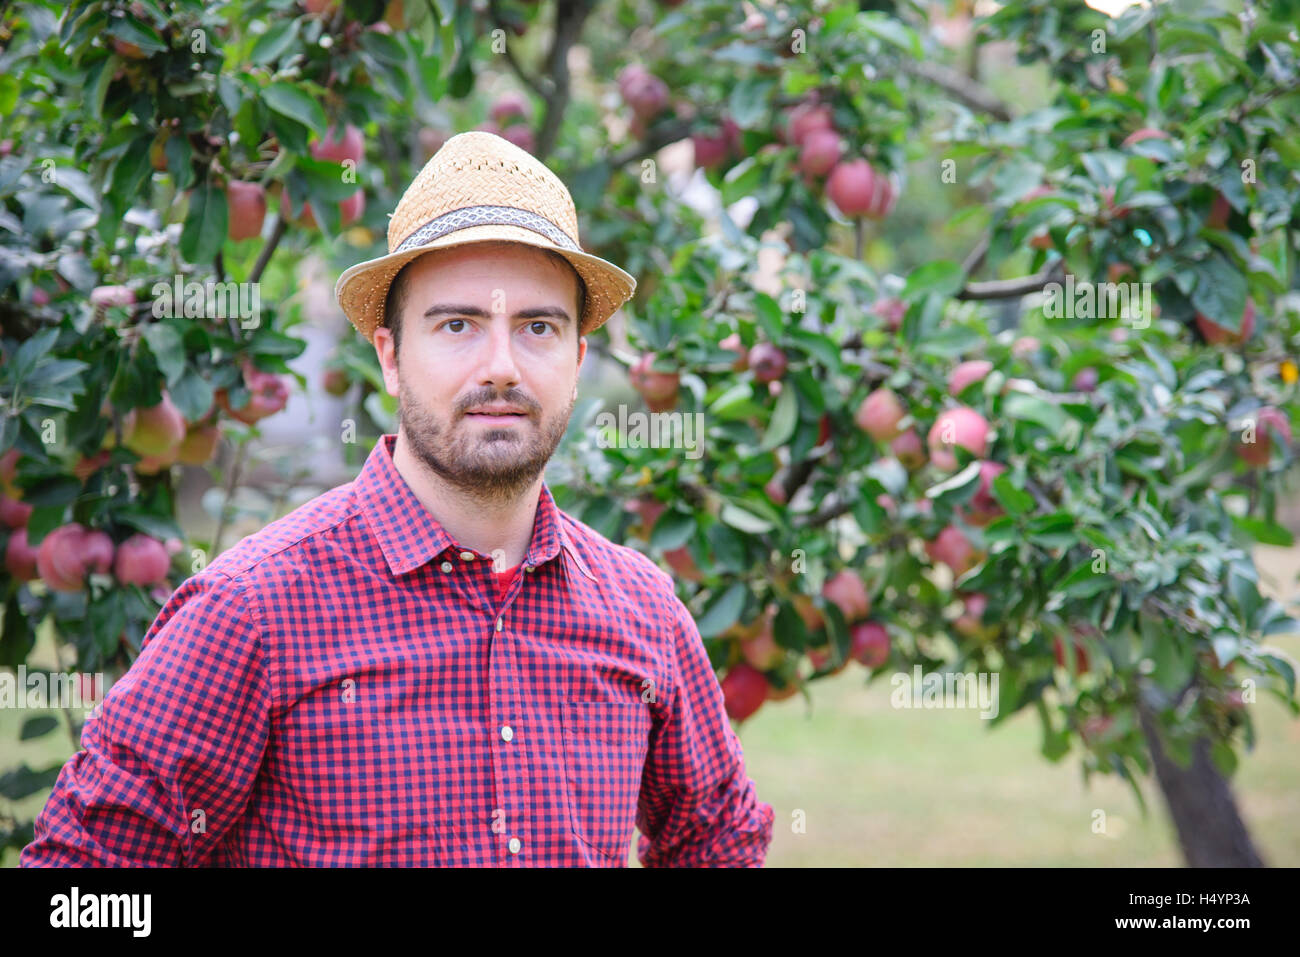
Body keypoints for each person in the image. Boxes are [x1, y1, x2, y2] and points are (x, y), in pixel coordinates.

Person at [22, 130, 774, 867]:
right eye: (458, 324)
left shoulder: (643, 612)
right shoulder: (252, 610)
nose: (502, 367)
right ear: (390, 356)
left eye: (537, 327)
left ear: (576, 361)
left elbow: (719, 837)